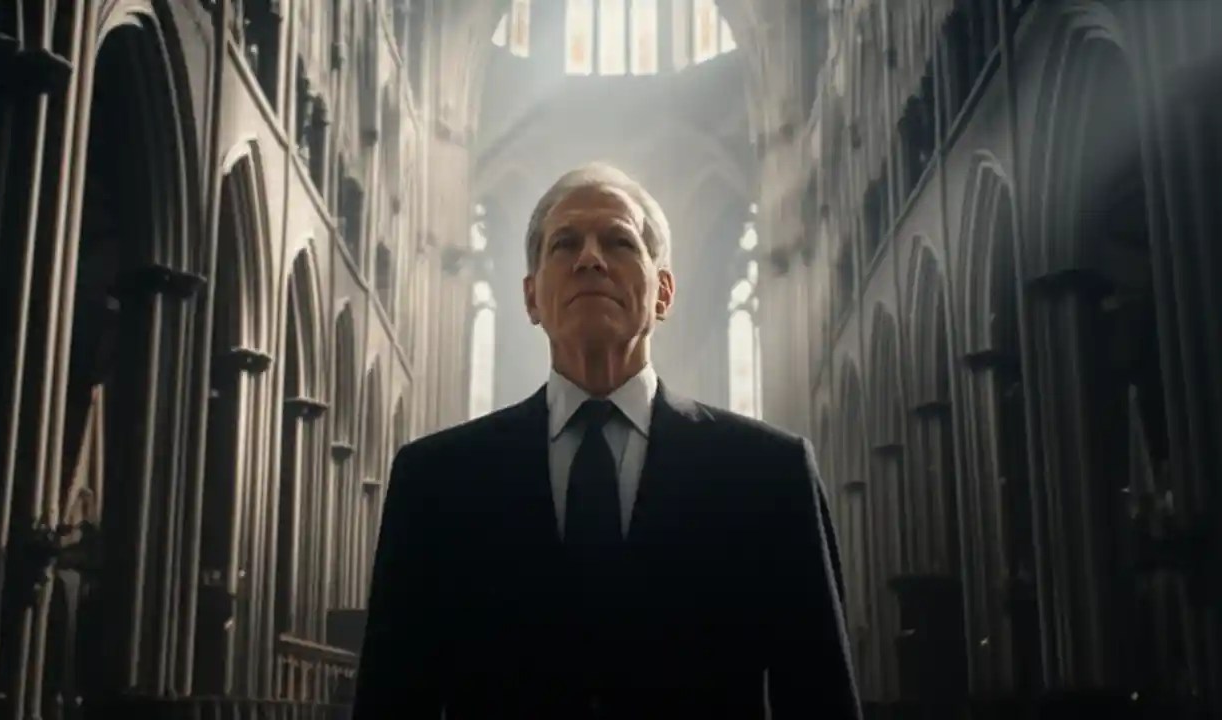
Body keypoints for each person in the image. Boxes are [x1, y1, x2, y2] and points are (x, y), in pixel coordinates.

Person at [352, 163, 861, 719]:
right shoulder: (434, 481)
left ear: (663, 292)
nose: (589, 258)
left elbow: (822, 700)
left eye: (619, 241)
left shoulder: (771, 474)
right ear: (530, 297)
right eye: (564, 243)